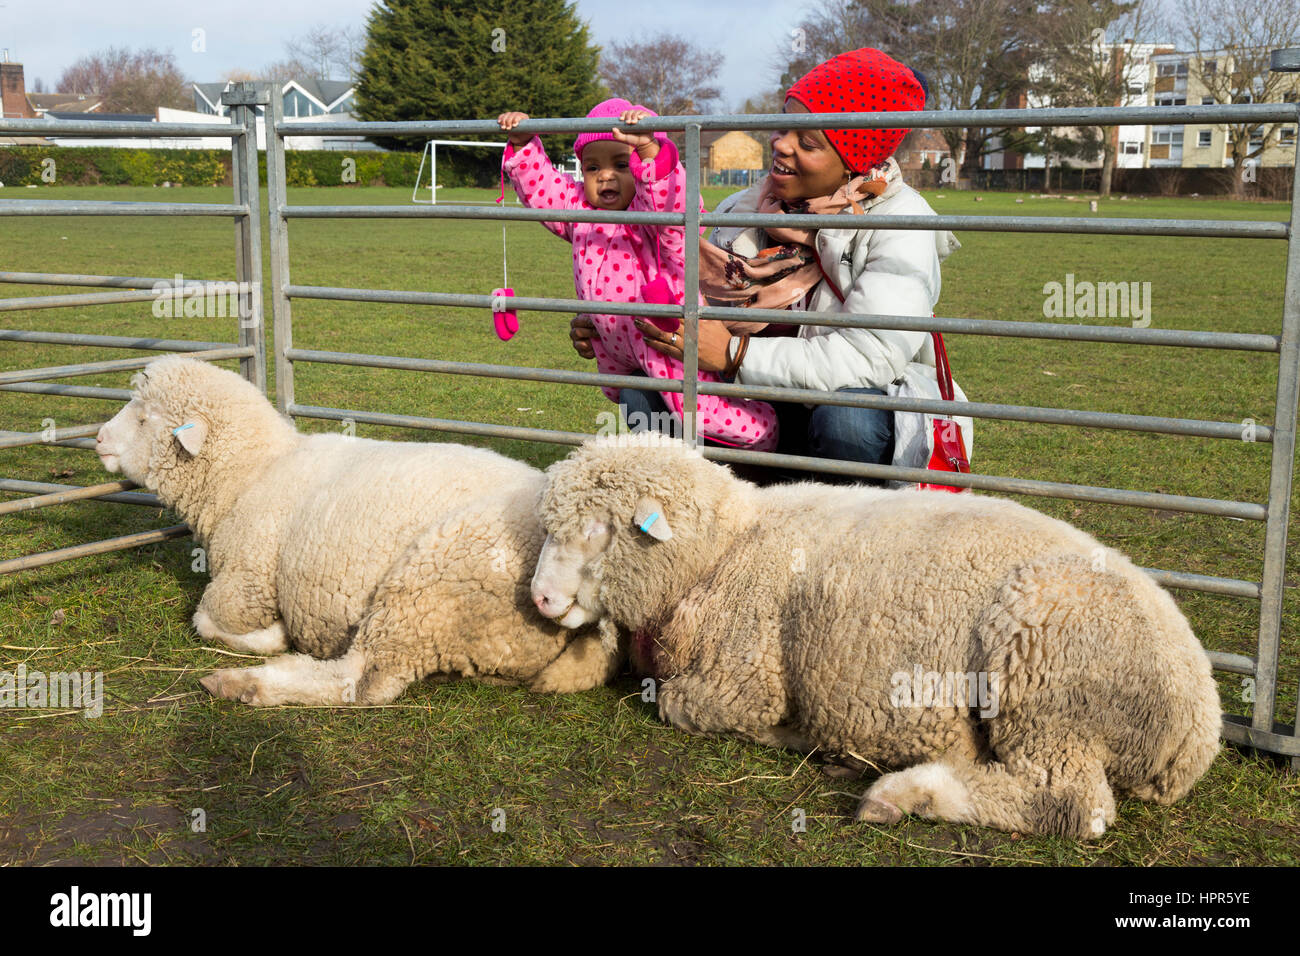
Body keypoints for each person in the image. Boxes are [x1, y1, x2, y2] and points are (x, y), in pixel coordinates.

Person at [570, 48, 968, 479]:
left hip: (832, 408)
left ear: (854, 160)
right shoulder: (743, 206)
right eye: (784, 125)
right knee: (642, 394)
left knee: (848, 421)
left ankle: (835, 525)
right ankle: (725, 509)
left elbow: (866, 358)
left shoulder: (900, 223)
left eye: (808, 141)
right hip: (753, 404)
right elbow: (681, 295)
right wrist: (617, 319)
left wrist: (731, 351)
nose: (780, 143)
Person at [497, 99, 778, 450]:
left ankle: (760, 432)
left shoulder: (651, 219)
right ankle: (666, 467)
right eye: (592, 167)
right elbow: (545, 192)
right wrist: (524, 146)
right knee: (633, 404)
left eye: (620, 164)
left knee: (694, 408)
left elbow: (669, 200)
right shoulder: (580, 214)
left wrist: (648, 149)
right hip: (613, 343)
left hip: (660, 337)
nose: (605, 176)